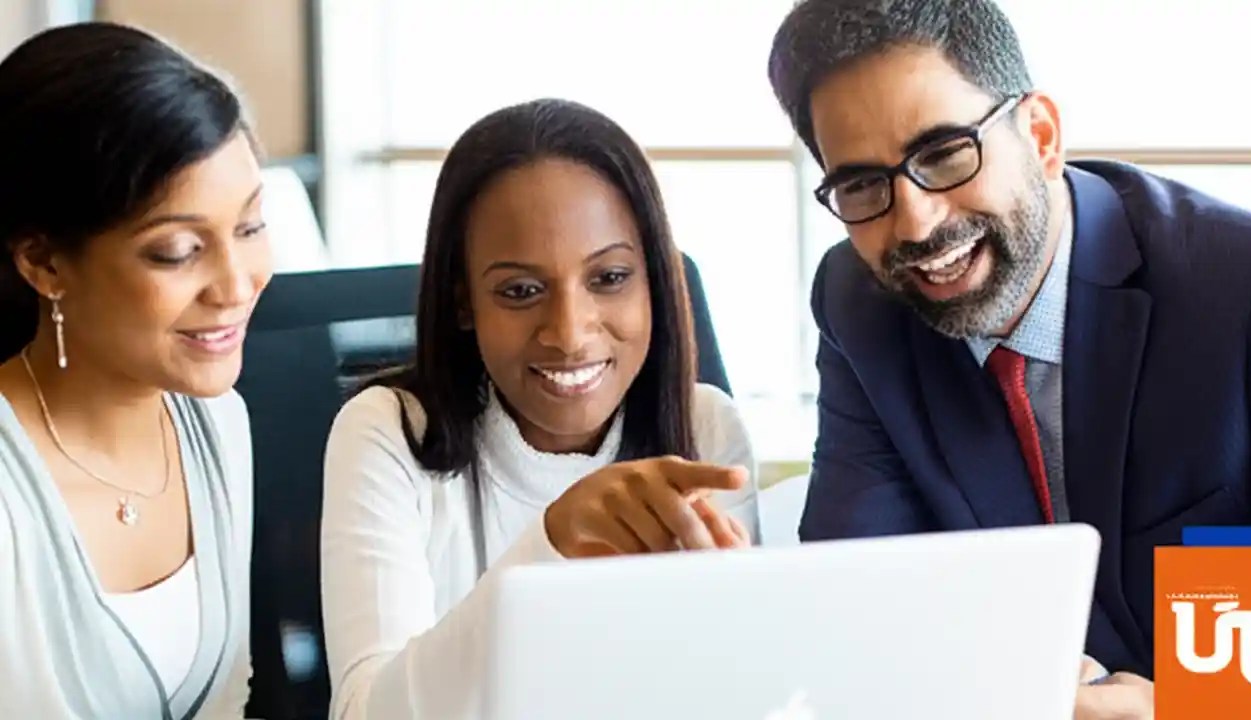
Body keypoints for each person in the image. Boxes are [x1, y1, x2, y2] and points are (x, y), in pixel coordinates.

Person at [768, 0, 1251, 717]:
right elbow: (860, 595)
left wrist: (1183, 709)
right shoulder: (861, 303)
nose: (914, 221)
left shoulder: (1249, 287)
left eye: (945, 154)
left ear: (1040, 136)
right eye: (861, 185)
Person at [320, 98, 760, 719]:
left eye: (609, 278)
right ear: (465, 302)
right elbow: (364, 713)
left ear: (655, 282)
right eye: (521, 291)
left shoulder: (707, 429)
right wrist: (552, 544)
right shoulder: (388, 434)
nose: (570, 334)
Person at [0, 23, 272, 719]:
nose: (236, 284)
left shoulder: (217, 422)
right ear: (44, 263)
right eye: (178, 251)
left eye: (249, 227)